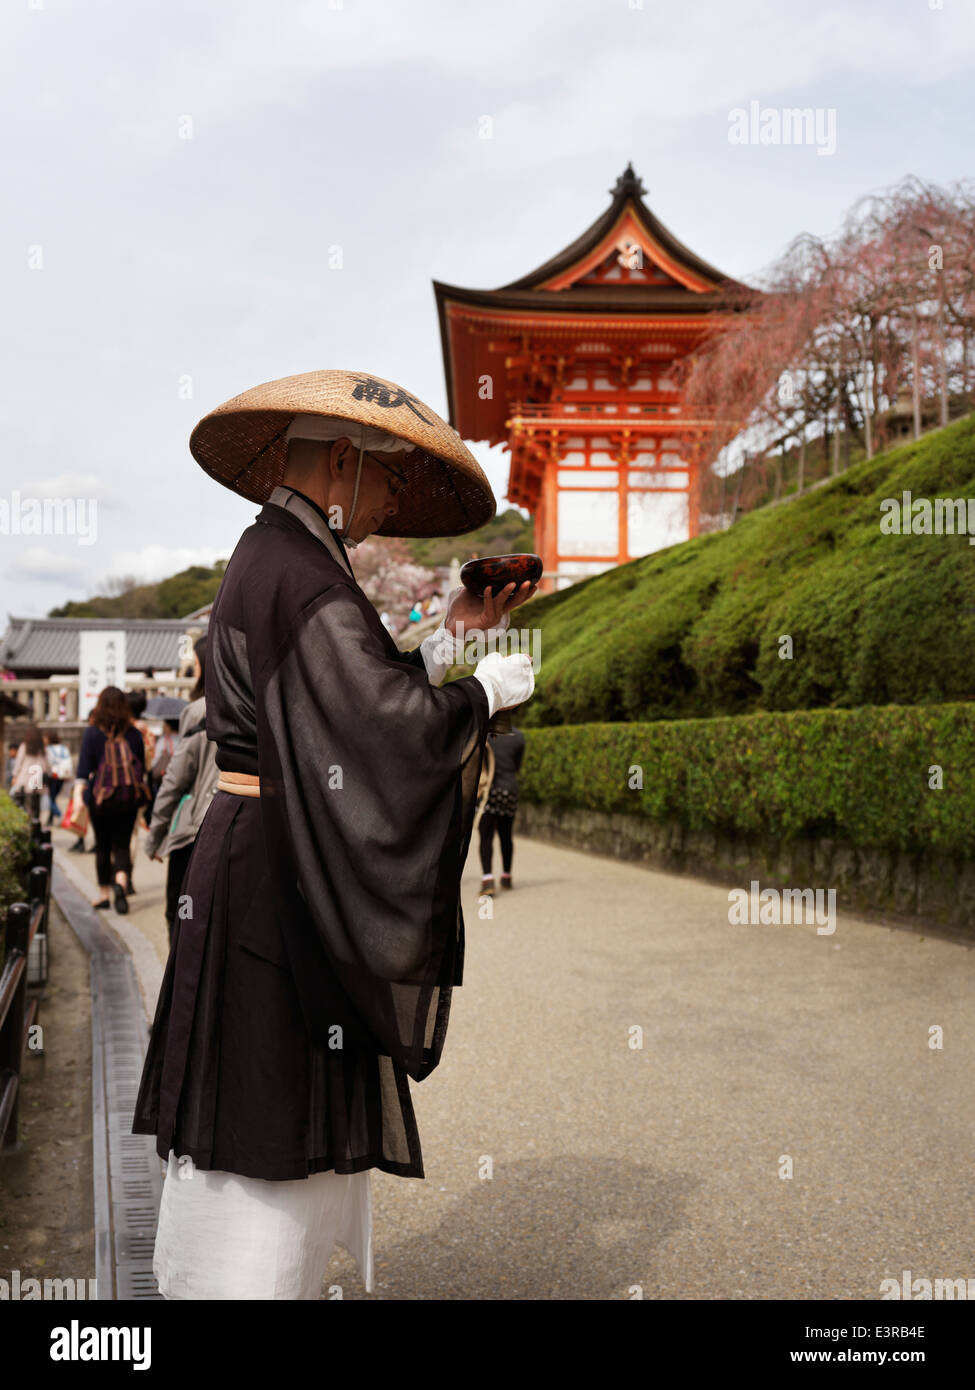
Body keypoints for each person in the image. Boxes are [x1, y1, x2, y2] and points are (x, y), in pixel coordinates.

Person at [133, 367, 536, 1300]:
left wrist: (444, 643)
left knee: (270, 1065)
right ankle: (252, 1282)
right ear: (345, 463)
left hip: (262, 841)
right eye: (388, 481)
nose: (393, 503)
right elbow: (376, 723)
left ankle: (258, 1277)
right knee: (270, 1071)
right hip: (275, 861)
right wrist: (483, 692)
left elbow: (337, 692)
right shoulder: (299, 568)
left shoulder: (279, 556)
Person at [144, 637, 218, 946]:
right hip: (247, 828)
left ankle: (182, 986)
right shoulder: (264, 704)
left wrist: (155, 837)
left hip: (197, 829)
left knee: (180, 912)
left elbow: (173, 783)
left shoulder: (198, 711)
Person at [73, 686, 148, 914]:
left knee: (103, 846)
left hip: (101, 800)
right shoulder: (134, 734)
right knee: (122, 844)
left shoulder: (93, 733)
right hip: (128, 799)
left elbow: (83, 772)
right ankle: (121, 882)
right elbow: (141, 769)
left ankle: (104, 894)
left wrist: (78, 799)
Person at [478, 725, 526, 895]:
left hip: (488, 791)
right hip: (509, 790)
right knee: (506, 835)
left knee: (486, 837)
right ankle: (506, 876)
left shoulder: (483, 733)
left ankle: (487, 880)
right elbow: (517, 766)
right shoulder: (519, 736)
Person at [10, 725, 49, 812]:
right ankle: (35, 821)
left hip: (25, 779)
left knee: (24, 804)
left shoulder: (24, 746)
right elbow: (47, 765)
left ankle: (27, 820)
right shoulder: (43, 749)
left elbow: (18, 763)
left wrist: (15, 776)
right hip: (38, 780)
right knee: (36, 805)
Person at [43, 732, 74, 827]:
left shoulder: (48, 749)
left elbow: (47, 763)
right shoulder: (64, 748)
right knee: (53, 797)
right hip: (62, 776)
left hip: (52, 775)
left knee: (50, 798)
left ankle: (60, 815)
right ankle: (50, 819)